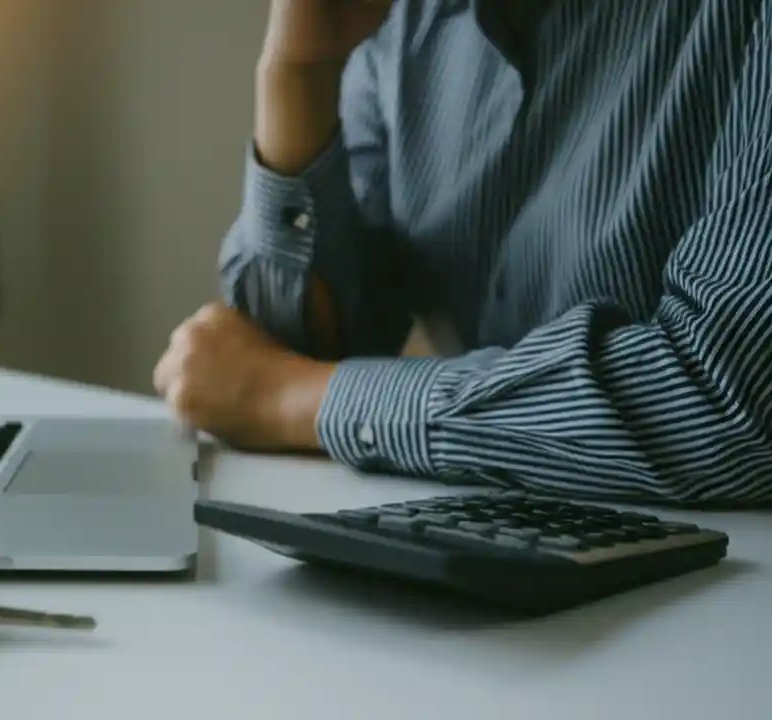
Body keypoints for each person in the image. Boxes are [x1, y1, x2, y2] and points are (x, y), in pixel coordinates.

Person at [153, 0, 771, 505]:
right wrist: (298, 71)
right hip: (496, 567)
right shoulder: (402, 23)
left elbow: (729, 405)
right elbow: (278, 355)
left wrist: (289, 399)